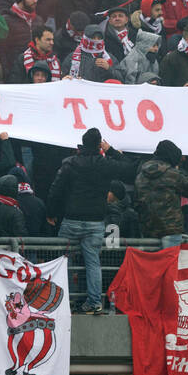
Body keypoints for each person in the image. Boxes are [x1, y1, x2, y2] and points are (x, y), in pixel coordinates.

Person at [47, 128, 135, 315]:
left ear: (82, 142)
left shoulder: (70, 163)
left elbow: (56, 189)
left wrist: (51, 212)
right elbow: (130, 168)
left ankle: (64, 300)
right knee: (93, 262)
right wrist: (110, 150)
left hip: (71, 219)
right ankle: (94, 302)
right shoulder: (105, 164)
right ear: (98, 144)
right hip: (95, 221)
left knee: (63, 260)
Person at [134, 139, 188, 249]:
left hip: (147, 227)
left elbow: (136, 201)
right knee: (170, 262)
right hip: (170, 228)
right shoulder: (172, 174)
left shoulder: (141, 174)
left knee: (151, 264)